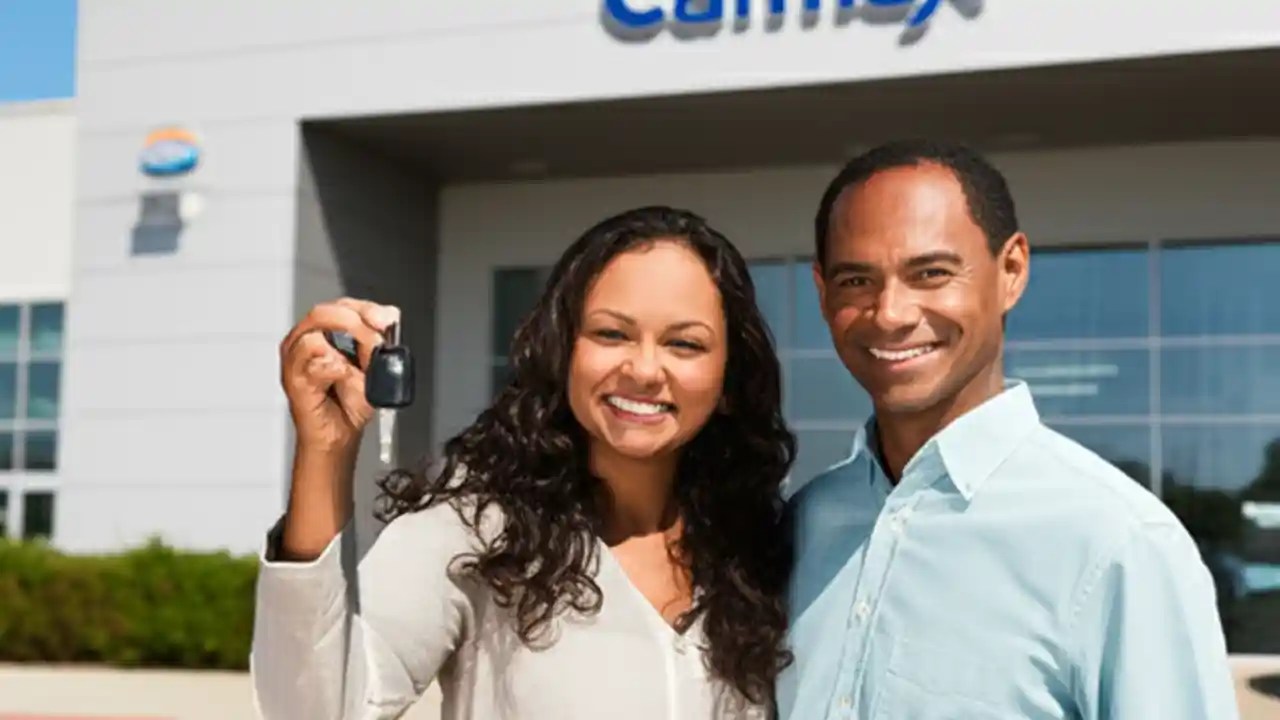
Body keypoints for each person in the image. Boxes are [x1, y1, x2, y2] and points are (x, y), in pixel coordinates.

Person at [251, 206, 796, 719]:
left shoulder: (758, 552)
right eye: (611, 333)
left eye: (685, 344)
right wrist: (326, 452)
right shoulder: (477, 530)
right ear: (563, 350)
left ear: (728, 378)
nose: (645, 369)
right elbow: (317, 710)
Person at [778, 140, 1239, 719]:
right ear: (822, 294)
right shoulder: (804, 527)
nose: (890, 313)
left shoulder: (1118, 543)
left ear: (1011, 271)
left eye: (931, 272)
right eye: (855, 281)